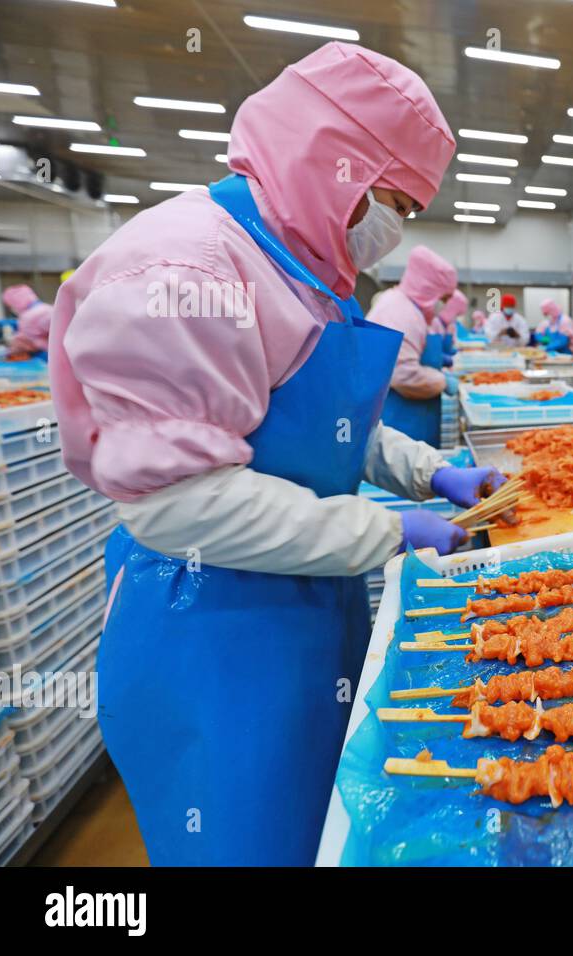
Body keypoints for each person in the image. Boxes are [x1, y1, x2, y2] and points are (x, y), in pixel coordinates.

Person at [48, 42, 506, 866]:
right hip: (216, 630)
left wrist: (427, 473)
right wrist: (391, 533)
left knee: (316, 837)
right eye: (394, 198)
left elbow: (328, 428)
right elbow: (181, 503)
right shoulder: (188, 265)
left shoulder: (301, 265)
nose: (395, 225)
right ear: (338, 163)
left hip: (305, 599)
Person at [368, 246, 456, 445]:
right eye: (443, 298)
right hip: (399, 419)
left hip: (415, 418)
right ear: (429, 288)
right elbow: (403, 375)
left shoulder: (411, 310)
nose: (443, 305)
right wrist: (442, 381)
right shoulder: (399, 312)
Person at [1, 284, 52, 356]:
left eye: (10, 306)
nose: (11, 308)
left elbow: (29, 340)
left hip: (46, 355)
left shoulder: (27, 317)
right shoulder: (47, 308)